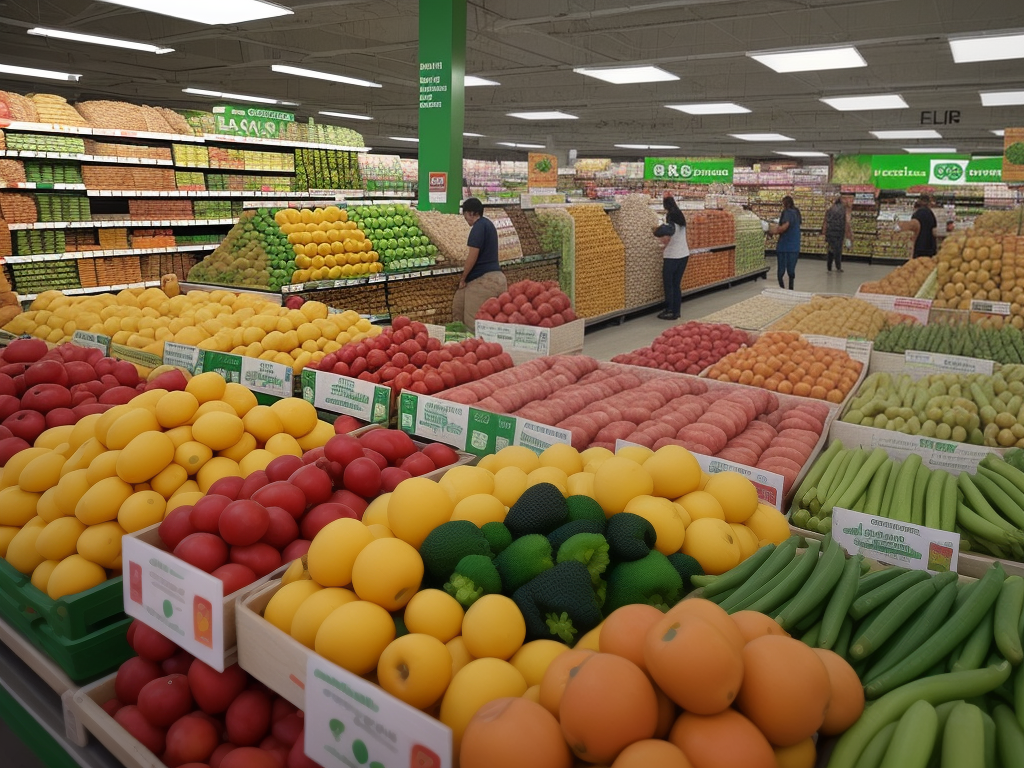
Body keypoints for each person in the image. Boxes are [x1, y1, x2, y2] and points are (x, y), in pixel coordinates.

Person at [452, 197, 506, 331]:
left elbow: (473, 255)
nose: (466, 220)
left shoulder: (478, 227)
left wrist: (463, 277)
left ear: (471, 213)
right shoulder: (488, 224)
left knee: (474, 325)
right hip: (498, 277)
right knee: (494, 322)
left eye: (465, 216)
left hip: (483, 282)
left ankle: (477, 350)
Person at [654, 195, 690, 320]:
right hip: (684, 254)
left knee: (669, 284)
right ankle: (676, 311)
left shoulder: (671, 219)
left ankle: (670, 310)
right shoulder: (681, 217)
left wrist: (656, 230)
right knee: (676, 284)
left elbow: (665, 233)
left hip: (673, 256)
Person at [771, 196, 802, 290]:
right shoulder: (797, 213)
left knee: (781, 270)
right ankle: (791, 288)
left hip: (784, 246)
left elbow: (784, 226)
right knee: (791, 270)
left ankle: (782, 288)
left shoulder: (787, 212)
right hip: (795, 246)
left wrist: (773, 231)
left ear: (785, 204)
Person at [822, 196, 852, 273]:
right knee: (838, 250)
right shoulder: (843, 210)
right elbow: (846, 223)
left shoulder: (830, 209)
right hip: (839, 232)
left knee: (830, 249)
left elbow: (825, 221)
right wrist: (848, 234)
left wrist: (824, 231)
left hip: (830, 232)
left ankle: (829, 267)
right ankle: (838, 267)